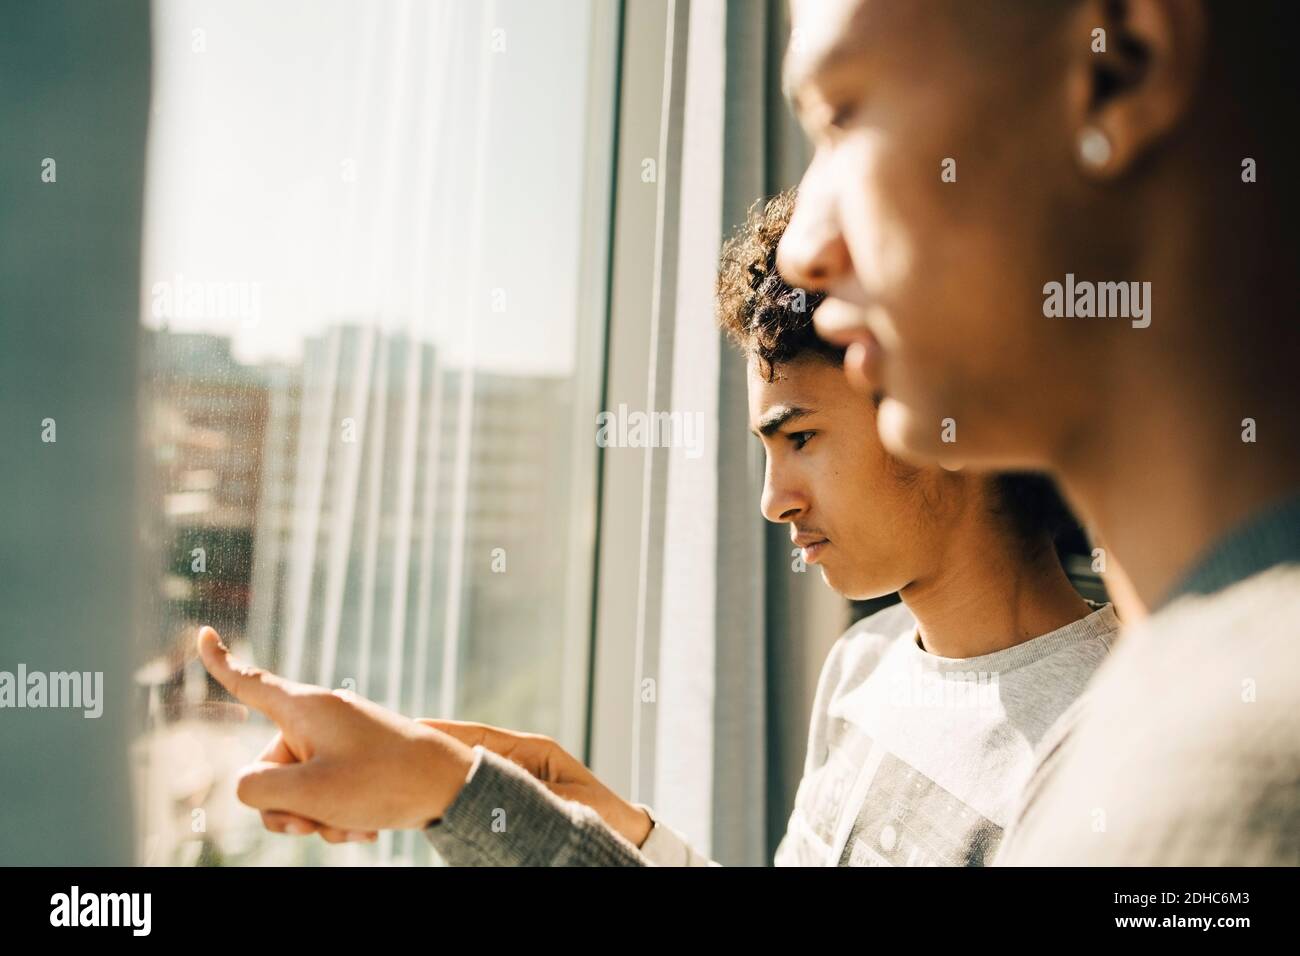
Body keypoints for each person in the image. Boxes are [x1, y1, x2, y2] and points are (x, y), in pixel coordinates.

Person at [197, 190, 1118, 866]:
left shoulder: (1105, 740)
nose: (774, 500)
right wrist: (567, 812)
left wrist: (452, 793)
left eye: (799, 437)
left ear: (943, 415)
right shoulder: (864, 668)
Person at [774, 0, 1300, 864]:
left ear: (1117, 65)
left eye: (844, 114)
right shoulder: (1150, 723)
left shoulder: (1216, 800)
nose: (803, 249)